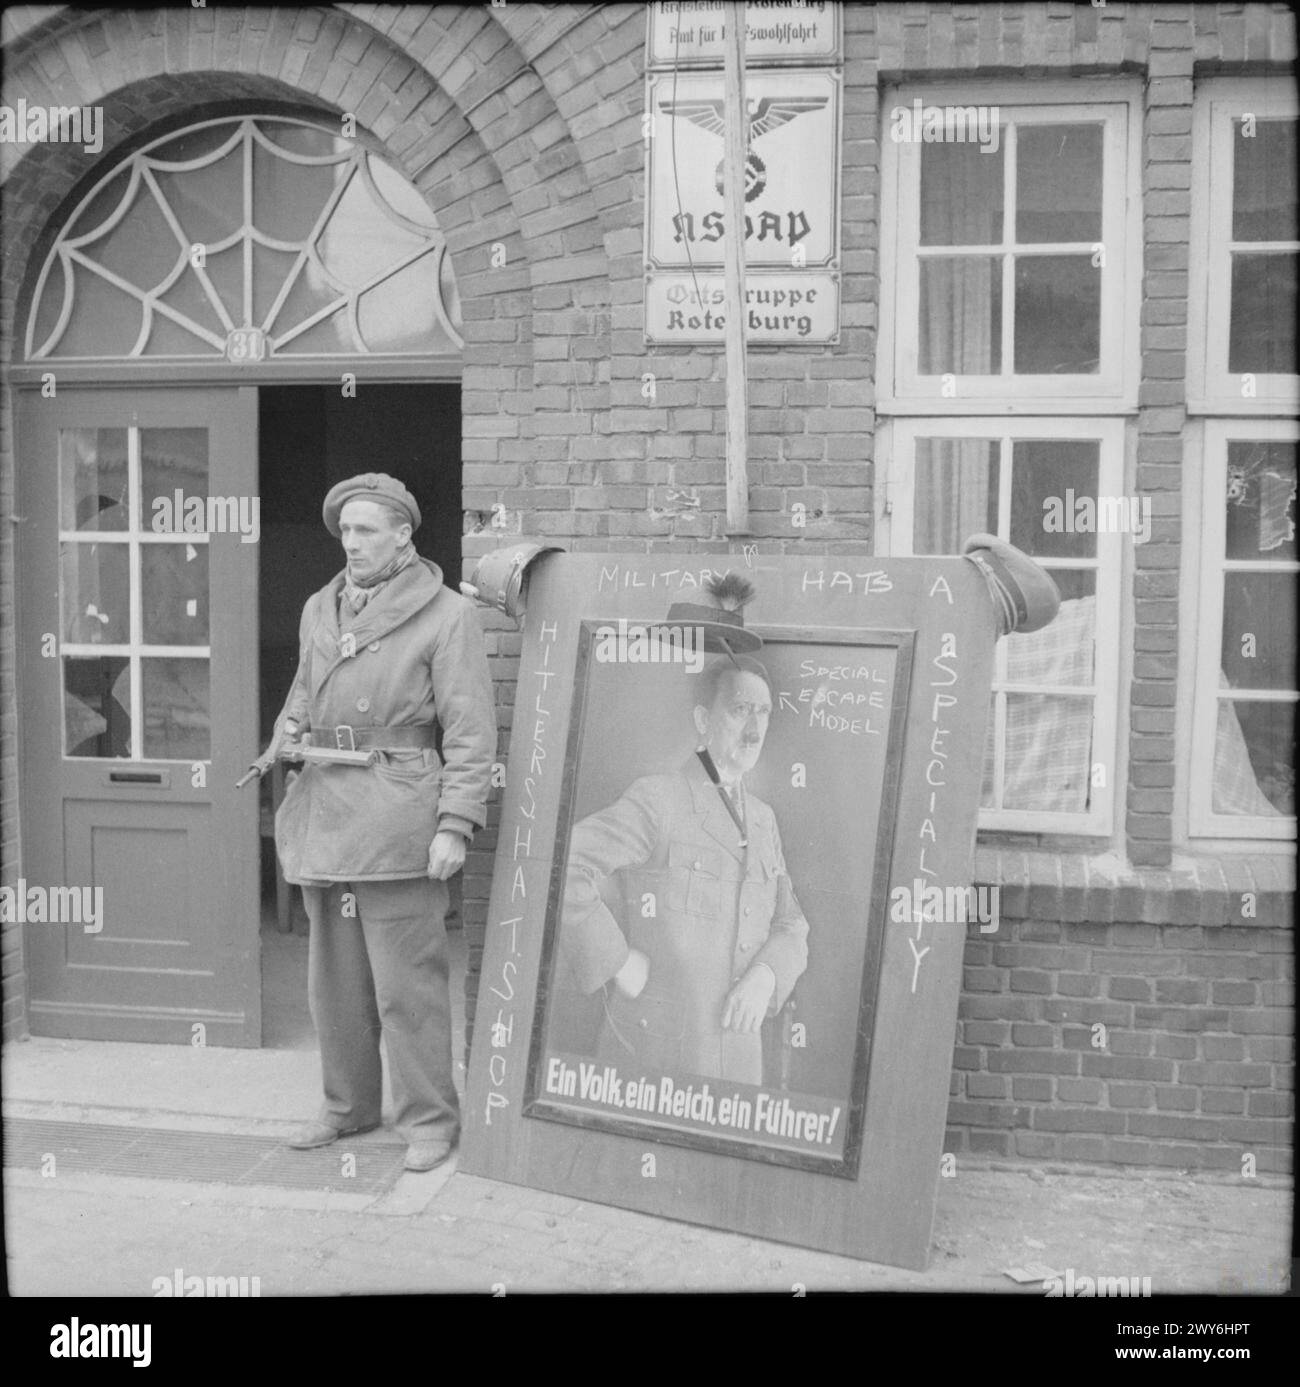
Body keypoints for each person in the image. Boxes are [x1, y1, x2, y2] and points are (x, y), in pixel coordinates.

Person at [271, 472, 495, 1172]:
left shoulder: (447, 613)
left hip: (400, 813)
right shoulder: (319, 607)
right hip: (329, 809)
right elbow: (303, 692)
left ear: (404, 535)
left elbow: (469, 730)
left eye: (368, 529)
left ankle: (429, 1119)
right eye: (346, 529)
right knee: (334, 983)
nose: (353, 542)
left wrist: (455, 823)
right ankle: (348, 1105)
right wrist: (284, 733)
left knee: (410, 986)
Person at [560, 655, 808, 1086]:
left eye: (763, 712)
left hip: (739, 1065)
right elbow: (565, 864)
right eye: (738, 710)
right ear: (702, 719)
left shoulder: (765, 821)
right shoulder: (659, 800)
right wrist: (616, 960)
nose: (753, 730)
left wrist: (767, 976)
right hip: (659, 1060)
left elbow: (792, 924)